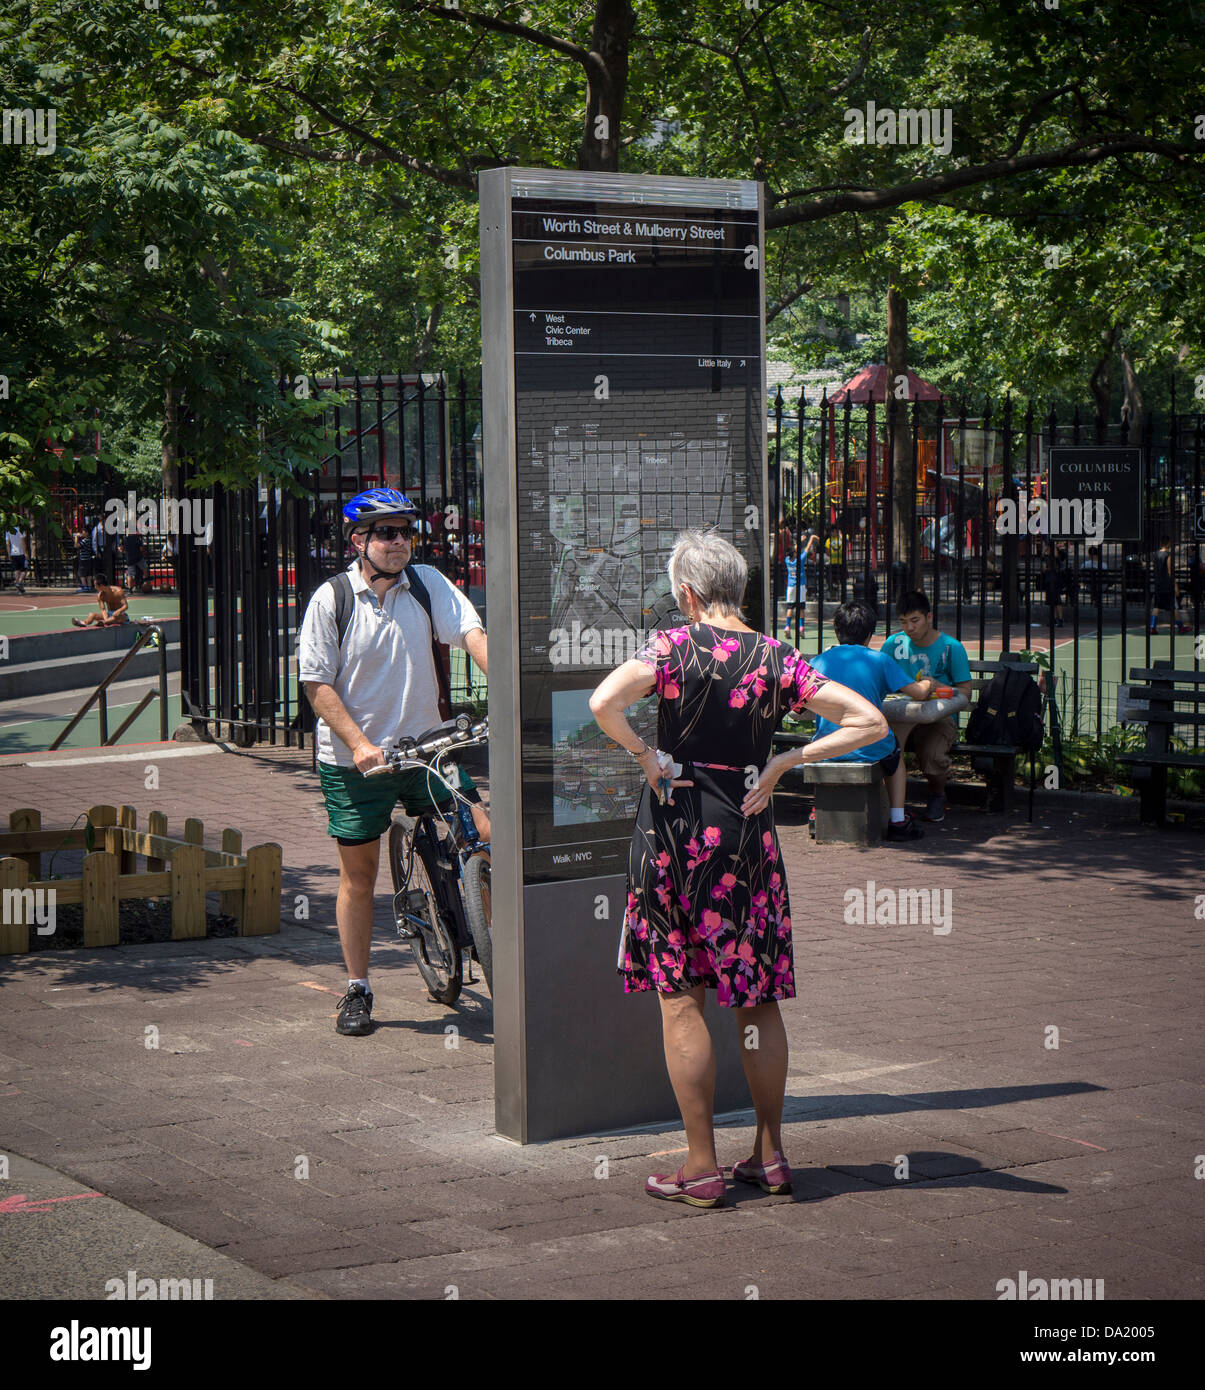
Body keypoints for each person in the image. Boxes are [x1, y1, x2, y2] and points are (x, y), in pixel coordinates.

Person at [589, 529, 886, 1209]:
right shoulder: (776, 655)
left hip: (674, 830)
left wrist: (643, 755)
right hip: (747, 836)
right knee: (755, 996)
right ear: (739, 590)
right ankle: (770, 1153)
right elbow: (867, 721)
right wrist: (785, 762)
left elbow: (604, 702)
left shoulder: (668, 647)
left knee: (681, 993)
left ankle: (699, 1166)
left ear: (686, 594)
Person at [298, 488, 489, 1038]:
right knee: (359, 878)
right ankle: (357, 989)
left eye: (406, 531)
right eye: (385, 532)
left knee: (481, 829)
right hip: (357, 762)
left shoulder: (428, 584)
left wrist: (504, 684)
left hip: (429, 747)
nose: (399, 541)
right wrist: (359, 743)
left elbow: (473, 635)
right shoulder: (331, 600)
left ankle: (503, 948)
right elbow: (316, 685)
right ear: (358, 540)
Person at [809, 600, 936, 841]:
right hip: (869, 746)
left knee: (818, 739)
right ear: (869, 634)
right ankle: (898, 820)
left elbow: (799, 704)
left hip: (827, 747)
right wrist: (929, 683)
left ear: (836, 630)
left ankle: (817, 810)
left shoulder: (819, 662)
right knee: (895, 756)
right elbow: (918, 693)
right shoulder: (879, 661)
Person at [880, 590, 972, 824]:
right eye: (903, 622)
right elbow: (880, 680)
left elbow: (966, 692)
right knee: (879, 748)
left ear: (928, 617)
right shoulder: (893, 644)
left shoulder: (952, 647)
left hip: (936, 717)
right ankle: (886, 804)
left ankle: (937, 794)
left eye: (915, 620)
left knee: (932, 757)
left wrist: (940, 687)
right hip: (896, 714)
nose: (909, 628)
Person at [1149, 537, 1186, 635]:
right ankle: (1181, 627)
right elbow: (1170, 571)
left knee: (1156, 606)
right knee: (1174, 606)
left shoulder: (1156, 554)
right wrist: (1175, 585)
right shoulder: (1168, 555)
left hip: (1158, 583)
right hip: (1167, 585)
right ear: (1168, 543)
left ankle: (1152, 627)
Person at [123, 525, 149, 593]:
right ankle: (146, 580)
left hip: (129, 558)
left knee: (130, 574)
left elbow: (122, 548)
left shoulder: (125, 539)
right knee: (145, 568)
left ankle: (130, 589)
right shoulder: (137, 538)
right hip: (138, 557)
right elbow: (141, 548)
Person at [5, 523, 28, 595]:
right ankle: (20, 582)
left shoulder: (8, 530)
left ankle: (18, 585)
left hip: (13, 553)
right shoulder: (21, 530)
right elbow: (23, 542)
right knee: (24, 570)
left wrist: (9, 554)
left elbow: (7, 543)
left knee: (16, 570)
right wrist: (25, 553)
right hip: (21, 553)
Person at [75, 519, 96, 591]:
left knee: (82, 574)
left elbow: (76, 546)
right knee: (89, 574)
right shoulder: (90, 540)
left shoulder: (84, 540)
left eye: (83, 532)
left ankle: (84, 587)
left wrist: (76, 538)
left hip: (83, 559)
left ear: (87, 533)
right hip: (89, 559)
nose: (82, 533)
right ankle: (90, 587)